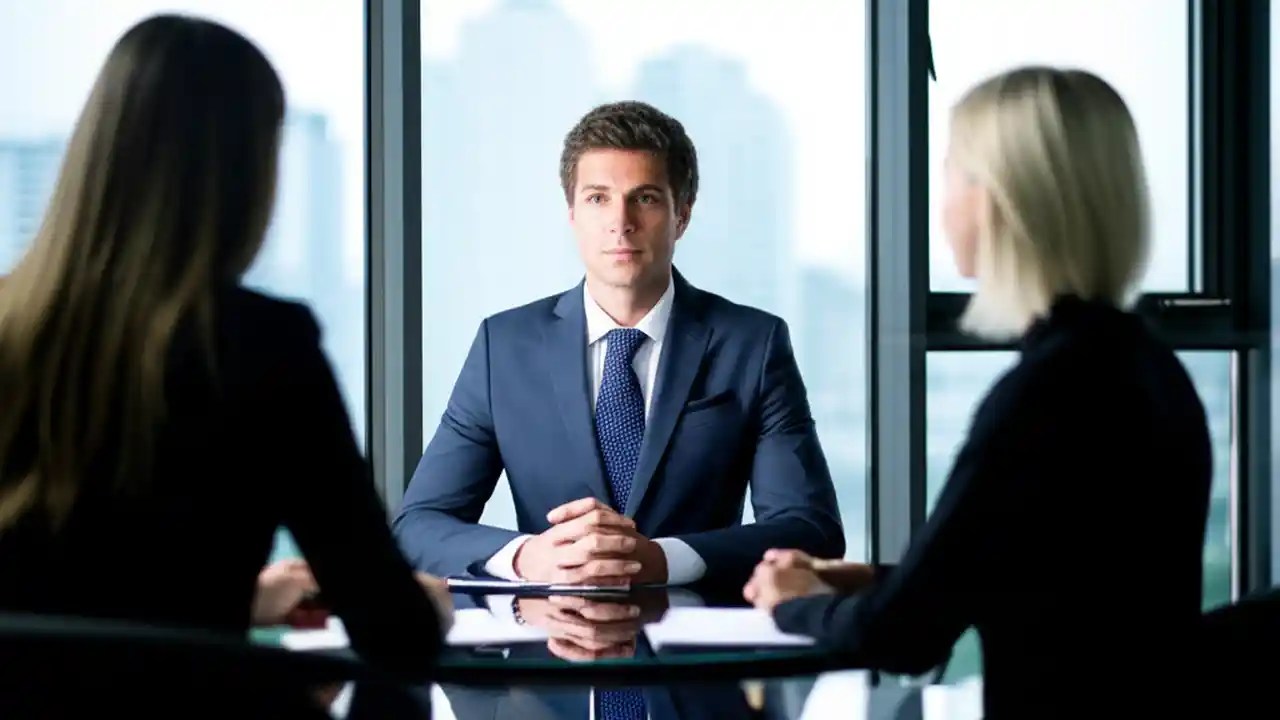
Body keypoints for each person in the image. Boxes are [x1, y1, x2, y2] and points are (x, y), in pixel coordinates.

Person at [743, 67, 1213, 715]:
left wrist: (794, 603)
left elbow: (903, 636)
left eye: (953, 174)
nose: (943, 205)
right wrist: (871, 582)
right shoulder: (1149, 370)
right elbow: (1044, 587)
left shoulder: (1044, 396)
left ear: (999, 197)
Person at [0, 13, 450, 686]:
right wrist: (429, 607)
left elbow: (70, 599)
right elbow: (392, 628)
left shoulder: (11, 328)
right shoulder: (262, 346)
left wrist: (239, 600)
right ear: (242, 173)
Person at [394, 101, 844, 592]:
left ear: (682, 214)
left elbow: (811, 529)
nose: (620, 221)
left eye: (645, 198)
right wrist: (529, 557)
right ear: (571, 214)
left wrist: (663, 559)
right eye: (597, 199)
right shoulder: (503, 348)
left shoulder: (752, 344)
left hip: (696, 657)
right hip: (549, 651)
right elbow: (418, 526)